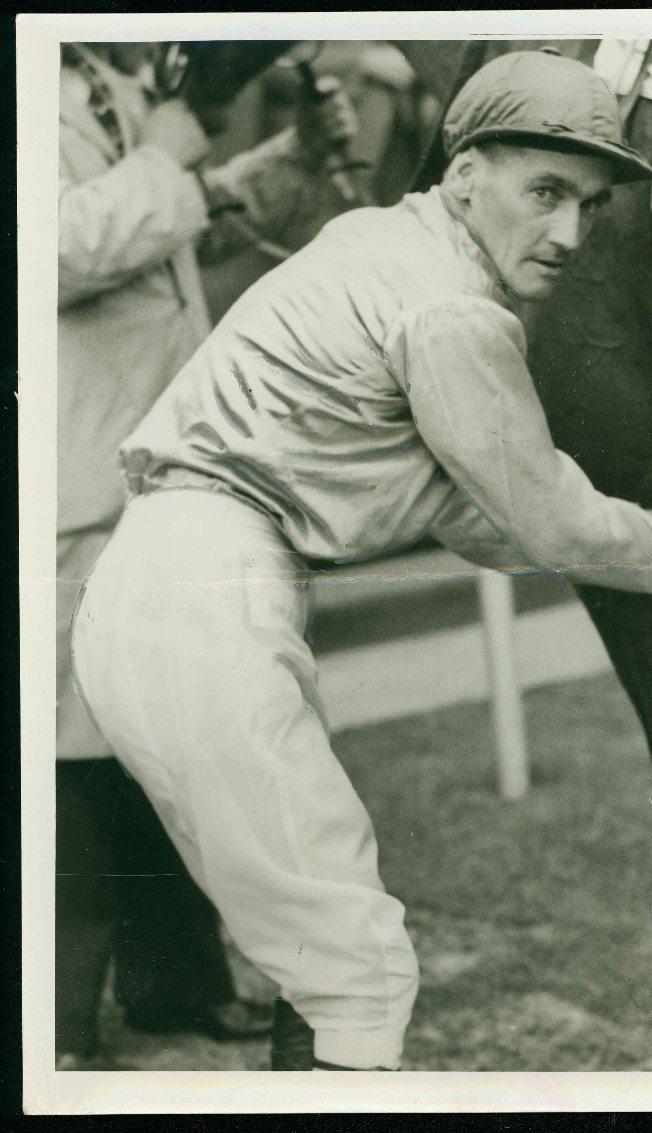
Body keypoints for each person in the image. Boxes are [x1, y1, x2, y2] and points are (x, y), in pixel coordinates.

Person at [69, 50, 652, 1072]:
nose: (565, 234)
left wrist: (638, 541)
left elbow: (480, 516)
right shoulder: (452, 312)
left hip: (158, 595)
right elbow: (551, 523)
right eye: (542, 191)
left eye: (588, 207)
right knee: (356, 967)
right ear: (462, 173)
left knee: (317, 953)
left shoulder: (373, 240)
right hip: (202, 601)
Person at [56, 40, 357, 1069]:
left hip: (153, 460)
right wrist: (167, 153)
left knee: (169, 729)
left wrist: (293, 157)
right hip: (67, 468)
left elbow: (182, 220)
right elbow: (48, 245)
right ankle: (53, 1024)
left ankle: (176, 982)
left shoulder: (117, 82)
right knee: (75, 751)